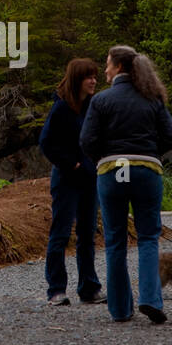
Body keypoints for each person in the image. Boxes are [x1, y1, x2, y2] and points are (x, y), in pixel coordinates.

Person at [79, 45, 172, 324]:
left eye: (108, 64)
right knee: (148, 236)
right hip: (146, 169)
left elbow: (87, 141)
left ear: (119, 68)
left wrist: (104, 157)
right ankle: (150, 298)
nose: (105, 70)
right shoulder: (153, 99)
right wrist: (151, 152)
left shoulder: (101, 100)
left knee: (115, 240)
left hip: (112, 171)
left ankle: (121, 309)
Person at [38, 58, 105, 305]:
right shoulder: (62, 108)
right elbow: (46, 143)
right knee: (61, 233)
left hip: (89, 179)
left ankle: (89, 287)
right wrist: (71, 163)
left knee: (87, 234)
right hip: (66, 179)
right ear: (78, 78)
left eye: (96, 76)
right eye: (89, 77)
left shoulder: (93, 106)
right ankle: (56, 289)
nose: (94, 81)